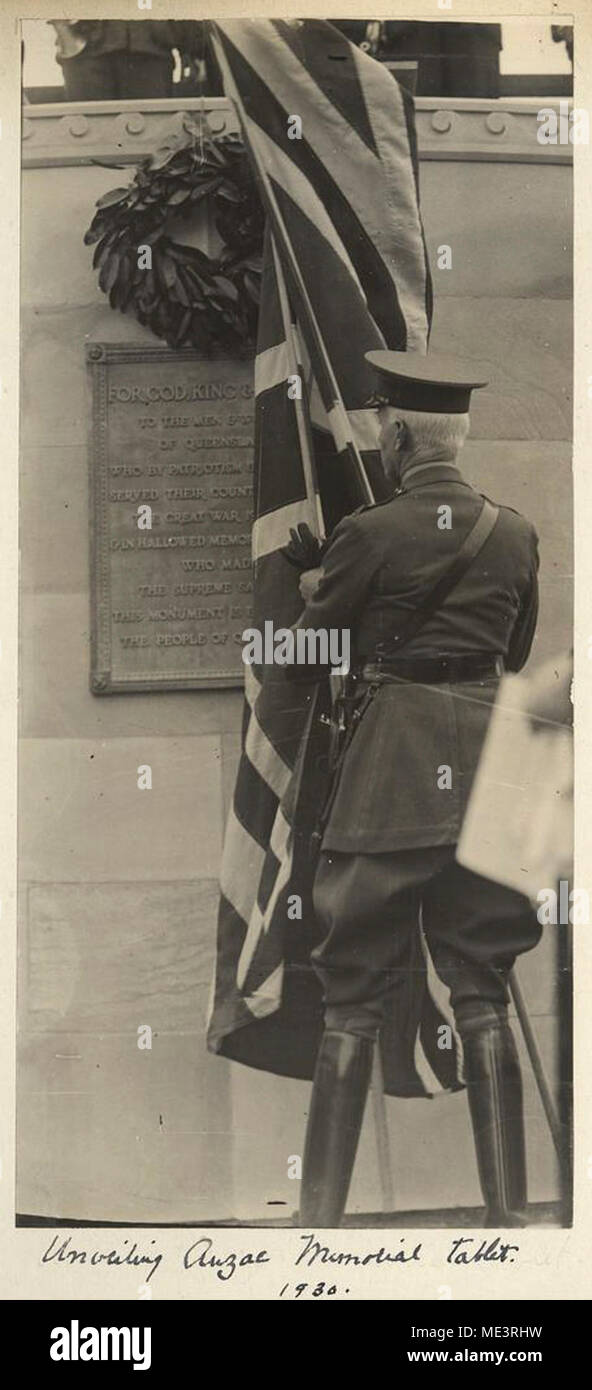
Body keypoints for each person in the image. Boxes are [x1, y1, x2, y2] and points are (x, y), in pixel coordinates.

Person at [291, 351, 542, 1228]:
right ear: (458, 441)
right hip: (488, 771)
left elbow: (304, 657)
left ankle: (315, 1222)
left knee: (352, 991)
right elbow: (509, 656)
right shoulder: (513, 531)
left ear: (397, 436)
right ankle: (509, 1217)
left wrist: (316, 588)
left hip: (392, 774)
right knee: (482, 982)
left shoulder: (372, 531)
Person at [49, 20, 205, 102]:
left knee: (151, 137)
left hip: (152, 48)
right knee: (87, 136)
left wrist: (192, 46)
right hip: (85, 48)